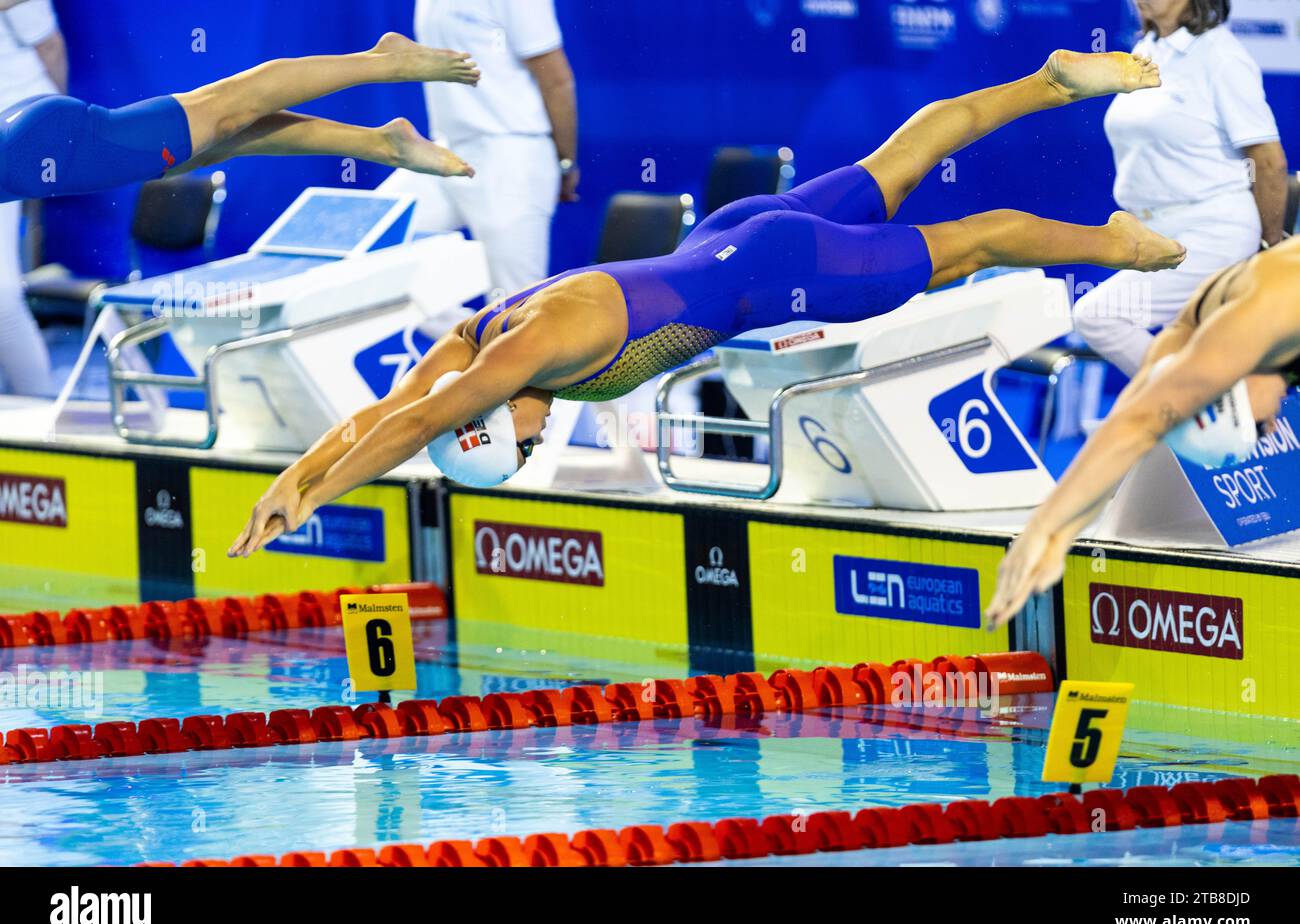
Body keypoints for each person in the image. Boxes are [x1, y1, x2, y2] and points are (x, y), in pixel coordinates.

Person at [229, 50, 1188, 558]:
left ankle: (1114, 241)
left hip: (779, 273)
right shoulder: (487, 334)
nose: (534, 447)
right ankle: (1048, 82)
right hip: (734, 232)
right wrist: (295, 486)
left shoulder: (519, 361)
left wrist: (328, 493)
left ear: (491, 422)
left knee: (970, 244)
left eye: (517, 449)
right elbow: (387, 413)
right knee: (900, 162)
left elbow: (419, 422)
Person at [985, 238, 1300, 630]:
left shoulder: (1275, 312)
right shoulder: (1188, 338)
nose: (1271, 428)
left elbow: (1140, 423)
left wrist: (1042, 530)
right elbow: (1133, 422)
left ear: (1227, 388)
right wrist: (1055, 533)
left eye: (1254, 427)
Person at [0, 33, 481, 206]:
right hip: (38, 155)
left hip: (39, 151)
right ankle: (381, 144)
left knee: (230, 105)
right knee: (223, 136)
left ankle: (385, 60)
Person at [1072, 0, 1288, 377]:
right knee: (1165, 337)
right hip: (1155, 236)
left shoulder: (1221, 55)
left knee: (1098, 316)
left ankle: (1194, 408)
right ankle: (1199, 409)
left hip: (1213, 233)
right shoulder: (1145, 50)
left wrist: (1266, 251)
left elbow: (1269, 161)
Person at [377, 0, 579, 315]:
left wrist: (565, 161)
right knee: (372, 249)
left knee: (515, 308)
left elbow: (556, 80)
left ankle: (501, 350)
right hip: (446, 150)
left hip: (511, 155)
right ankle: (467, 344)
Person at [0, 0, 64, 396]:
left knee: (3, 297)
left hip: (16, 125)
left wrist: (62, 132)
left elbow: (50, 47)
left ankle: (39, 422)